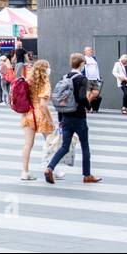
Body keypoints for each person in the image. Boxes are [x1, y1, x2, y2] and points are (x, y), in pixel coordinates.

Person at [45, 53, 102, 184]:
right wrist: (88, 106)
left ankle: (50, 168)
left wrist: (60, 119)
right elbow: (82, 98)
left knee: (64, 146)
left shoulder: (64, 77)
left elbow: (60, 100)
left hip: (65, 117)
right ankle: (87, 175)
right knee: (85, 146)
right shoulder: (82, 79)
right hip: (79, 117)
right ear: (81, 64)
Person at [17, 60, 55, 181]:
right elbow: (43, 105)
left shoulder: (28, 81)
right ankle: (50, 169)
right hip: (40, 114)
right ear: (45, 70)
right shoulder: (45, 83)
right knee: (50, 143)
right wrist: (50, 120)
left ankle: (25, 171)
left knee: (28, 144)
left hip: (28, 113)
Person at [82, 45, 102, 113]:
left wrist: (98, 77)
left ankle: (86, 106)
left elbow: (97, 68)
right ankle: (87, 107)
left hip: (95, 79)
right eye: (89, 50)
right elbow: (81, 69)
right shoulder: (83, 58)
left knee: (96, 93)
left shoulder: (94, 58)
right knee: (88, 93)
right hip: (87, 78)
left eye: (91, 50)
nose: (91, 51)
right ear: (85, 52)